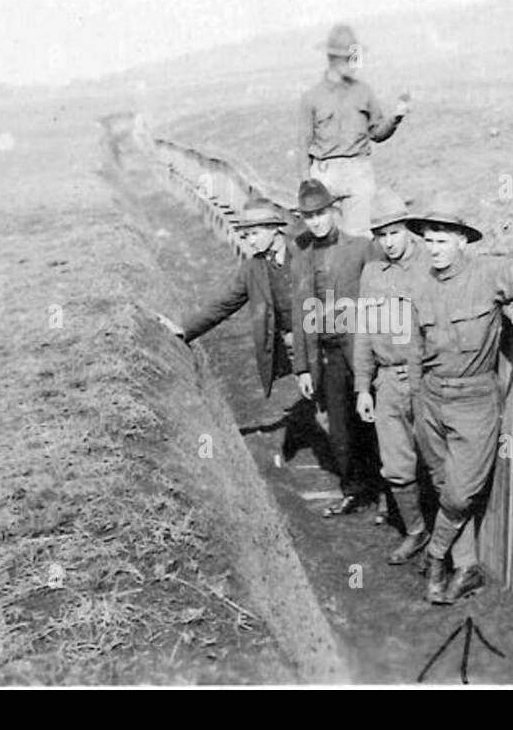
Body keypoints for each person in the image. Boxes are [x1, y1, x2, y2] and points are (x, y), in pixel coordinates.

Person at [407, 205, 513, 605]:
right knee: (443, 484)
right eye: (428, 241)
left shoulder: (486, 274)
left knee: (460, 493)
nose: (434, 249)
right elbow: (414, 348)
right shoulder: (421, 284)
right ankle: (468, 566)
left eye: (442, 242)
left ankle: (437, 555)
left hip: (473, 402)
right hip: (429, 398)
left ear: (462, 242)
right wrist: (415, 402)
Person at [353, 188, 436, 563]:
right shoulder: (372, 273)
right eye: (381, 235)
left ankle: (444, 542)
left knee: (437, 461)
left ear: (408, 229)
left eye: (394, 232)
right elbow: (364, 333)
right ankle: (416, 531)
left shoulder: (431, 264)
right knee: (397, 466)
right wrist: (362, 388)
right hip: (387, 381)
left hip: (428, 380)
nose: (388, 242)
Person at [291, 178, 383, 516]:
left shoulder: (361, 248)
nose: (315, 221)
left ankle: (384, 493)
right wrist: (302, 366)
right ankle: (354, 489)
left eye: (320, 213)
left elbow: (381, 293)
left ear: (333, 211)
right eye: (308, 216)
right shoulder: (300, 253)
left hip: (359, 350)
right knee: (340, 427)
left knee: (370, 421)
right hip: (326, 354)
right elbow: (301, 309)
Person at [170, 200, 296, 399]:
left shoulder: (304, 253)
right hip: (291, 345)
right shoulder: (253, 268)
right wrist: (186, 329)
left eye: (255, 234)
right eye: (247, 236)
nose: (251, 241)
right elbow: (225, 303)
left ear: (274, 229)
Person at [297, 24, 409, 237]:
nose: (355, 64)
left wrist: (395, 118)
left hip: (358, 171)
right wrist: (305, 184)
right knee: (325, 238)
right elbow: (303, 142)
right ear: (333, 59)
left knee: (360, 238)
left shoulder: (363, 92)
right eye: (350, 58)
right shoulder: (312, 97)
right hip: (324, 173)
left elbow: (376, 133)